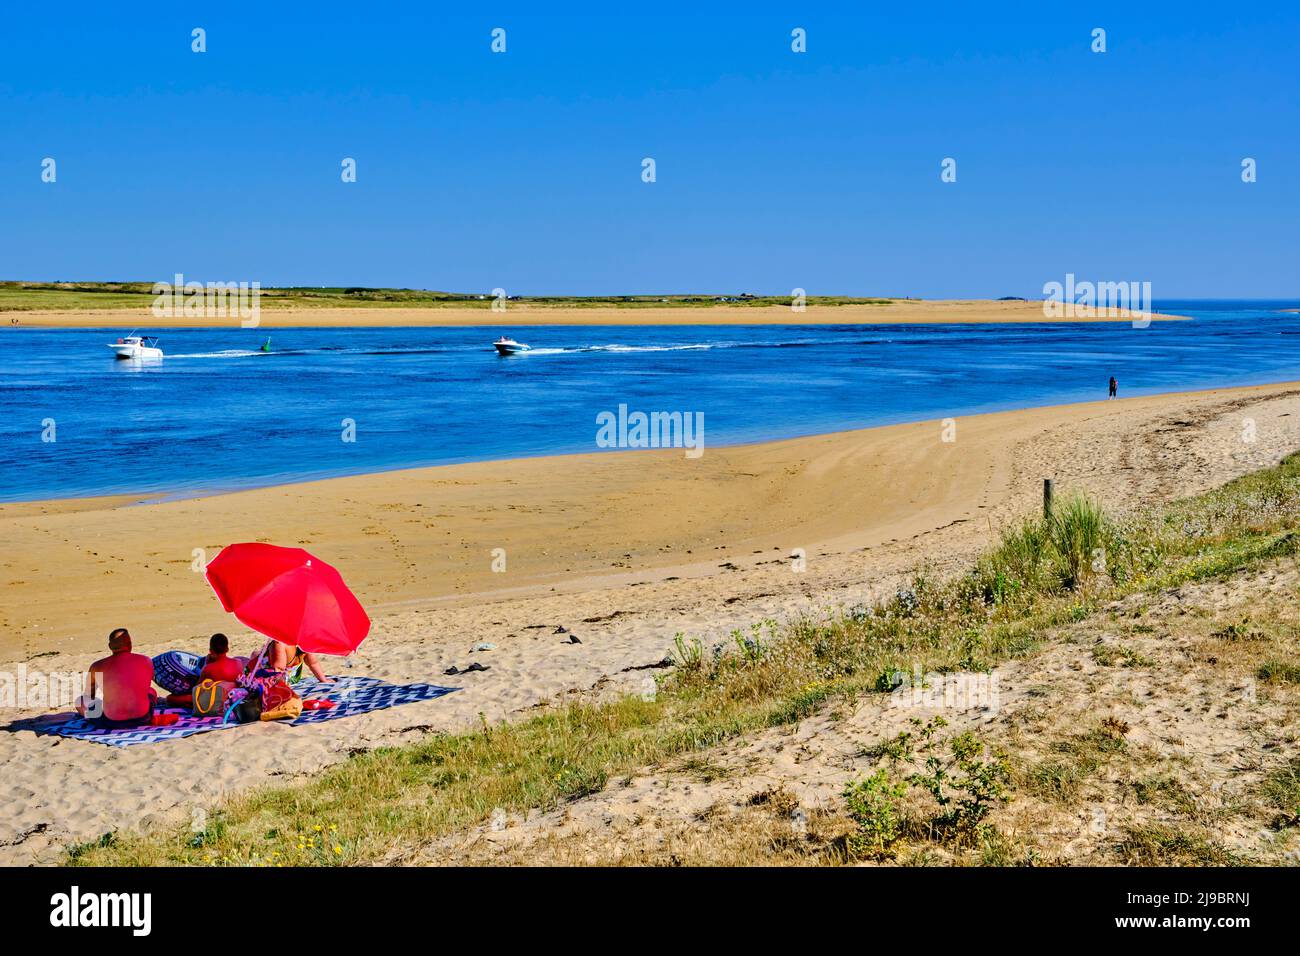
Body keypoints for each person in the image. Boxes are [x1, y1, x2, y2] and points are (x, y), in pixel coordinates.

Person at [77, 628, 156, 728]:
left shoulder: (97, 666)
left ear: (110, 646)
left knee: (81, 701)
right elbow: (147, 681)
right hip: (143, 718)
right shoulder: (146, 660)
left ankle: (89, 719)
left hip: (112, 722)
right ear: (130, 644)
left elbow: (89, 695)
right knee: (151, 691)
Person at [156, 633, 246, 707]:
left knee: (171, 698)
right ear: (227, 649)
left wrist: (206, 664)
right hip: (235, 696)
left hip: (216, 700)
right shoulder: (238, 662)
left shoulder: (209, 668)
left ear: (211, 651)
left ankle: (164, 701)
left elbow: (195, 689)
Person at [248, 639, 334, 684]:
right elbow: (313, 663)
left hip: (280, 678)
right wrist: (324, 680)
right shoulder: (305, 643)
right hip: (294, 677)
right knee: (257, 654)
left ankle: (258, 655)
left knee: (248, 658)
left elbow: (278, 669)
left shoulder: (280, 642)